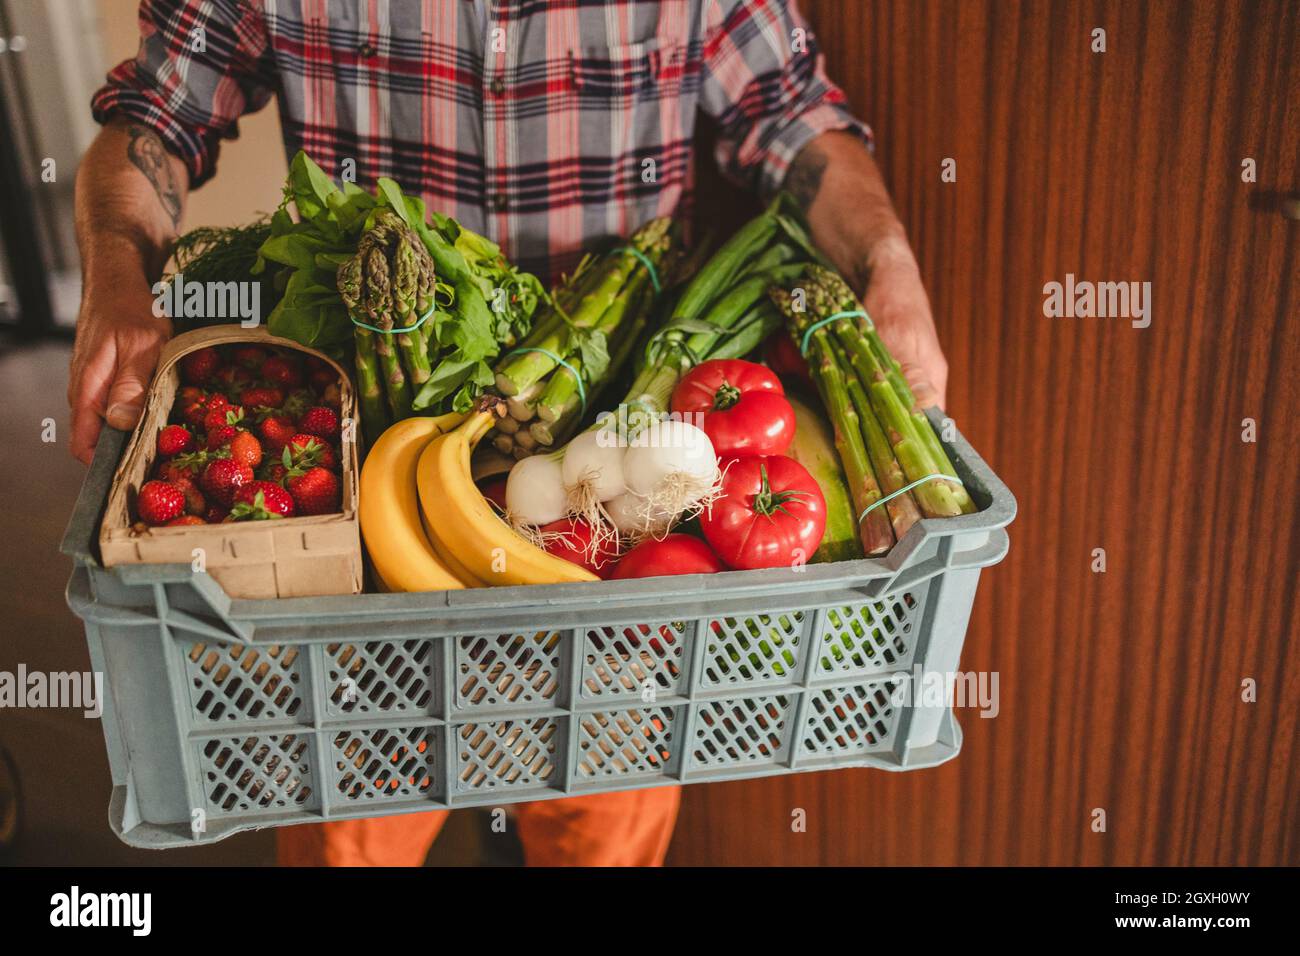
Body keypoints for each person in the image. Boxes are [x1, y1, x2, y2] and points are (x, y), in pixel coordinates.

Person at [69, 0, 949, 866]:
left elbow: (797, 122)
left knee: (600, 824)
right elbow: (157, 112)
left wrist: (891, 262)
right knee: (351, 825)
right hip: (374, 487)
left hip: (608, 504)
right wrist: (114, 270)